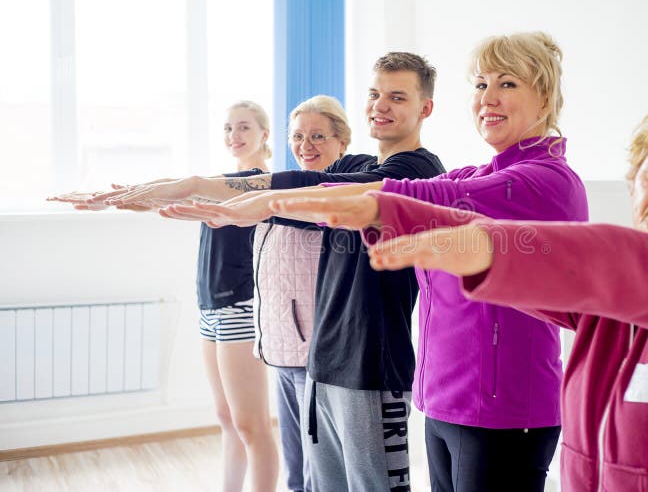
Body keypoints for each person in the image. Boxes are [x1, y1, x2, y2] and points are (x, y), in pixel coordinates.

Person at [281, 102, 648, 491]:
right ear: (634, 184)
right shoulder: (609, 297)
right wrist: (380, 211)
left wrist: (479, 243)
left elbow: (598, 256)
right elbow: (538, 267)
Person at [176, 32, 587, 491]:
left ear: (546, 97)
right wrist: (245, 192)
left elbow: (403, 194)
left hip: (502, 410)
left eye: (507, 84)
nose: (488, 97)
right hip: (445, 403)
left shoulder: (540, 180)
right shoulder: (478, 174)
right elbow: (347, 185)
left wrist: (266, 202)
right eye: (479, 84)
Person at [95, 53, 447, 491]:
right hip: (325, 363)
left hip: (373, 368)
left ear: (424, 108)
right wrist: (198, 189)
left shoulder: (420, 172)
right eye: (375, 94)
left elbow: (308, 193)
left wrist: (214, 194)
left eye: (397, 97)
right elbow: (292, 184)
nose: (381, 105)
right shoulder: (350, 169)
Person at [49, 101, 280, 492]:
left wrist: (120, 197)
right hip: (210, 305)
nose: (234, 136)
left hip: (241, 306)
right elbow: (172, 198)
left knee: (251, 423)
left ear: (264, 134)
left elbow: (186, 190)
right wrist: (108, 198)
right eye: (227, 128)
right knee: (226, 417)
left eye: (243, 127)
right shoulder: (221, 181)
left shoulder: (261, 183)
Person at [253, 95, 351, 492]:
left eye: (317, 136)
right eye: (297, 136)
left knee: (317, 473)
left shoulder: (334, 198)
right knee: (295, 471)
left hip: (313, 354)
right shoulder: (287, 191)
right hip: (280, 349)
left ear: (341, 142)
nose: (305, 145)